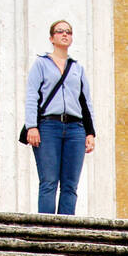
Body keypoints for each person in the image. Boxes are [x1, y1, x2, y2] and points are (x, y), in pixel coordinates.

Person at [24, 20, 96, 215]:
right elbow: (32, 95)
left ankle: (66, 231)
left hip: (75, 128)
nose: (65, 34)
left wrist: (90, 133)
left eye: (68, 32)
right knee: (48, 181)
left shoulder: (77, 68)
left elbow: (85, 101)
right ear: (52, 38)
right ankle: (45, 230)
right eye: (60, 31)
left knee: (70, 184)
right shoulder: (41, 64)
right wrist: (32, 126)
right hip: (49, 126)